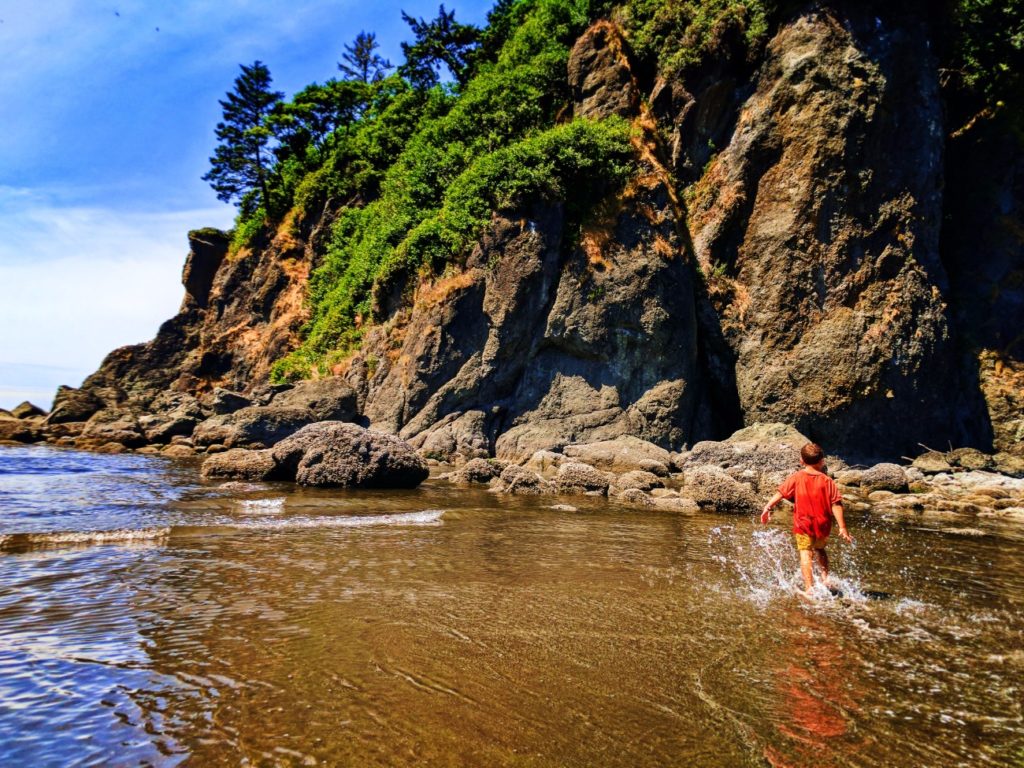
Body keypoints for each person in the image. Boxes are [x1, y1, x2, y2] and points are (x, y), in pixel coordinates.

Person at [760, 442, 852, 595]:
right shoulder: (827, 481)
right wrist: (842, 527)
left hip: (804, 523)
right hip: (823, 524)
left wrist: (767, 507)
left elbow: (781, 493)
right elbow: (836, 503)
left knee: (805, 553)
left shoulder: (797, 477)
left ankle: (809, 588)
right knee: (820, 549)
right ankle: (825, 578)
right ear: (822, 461)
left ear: (801, 461)